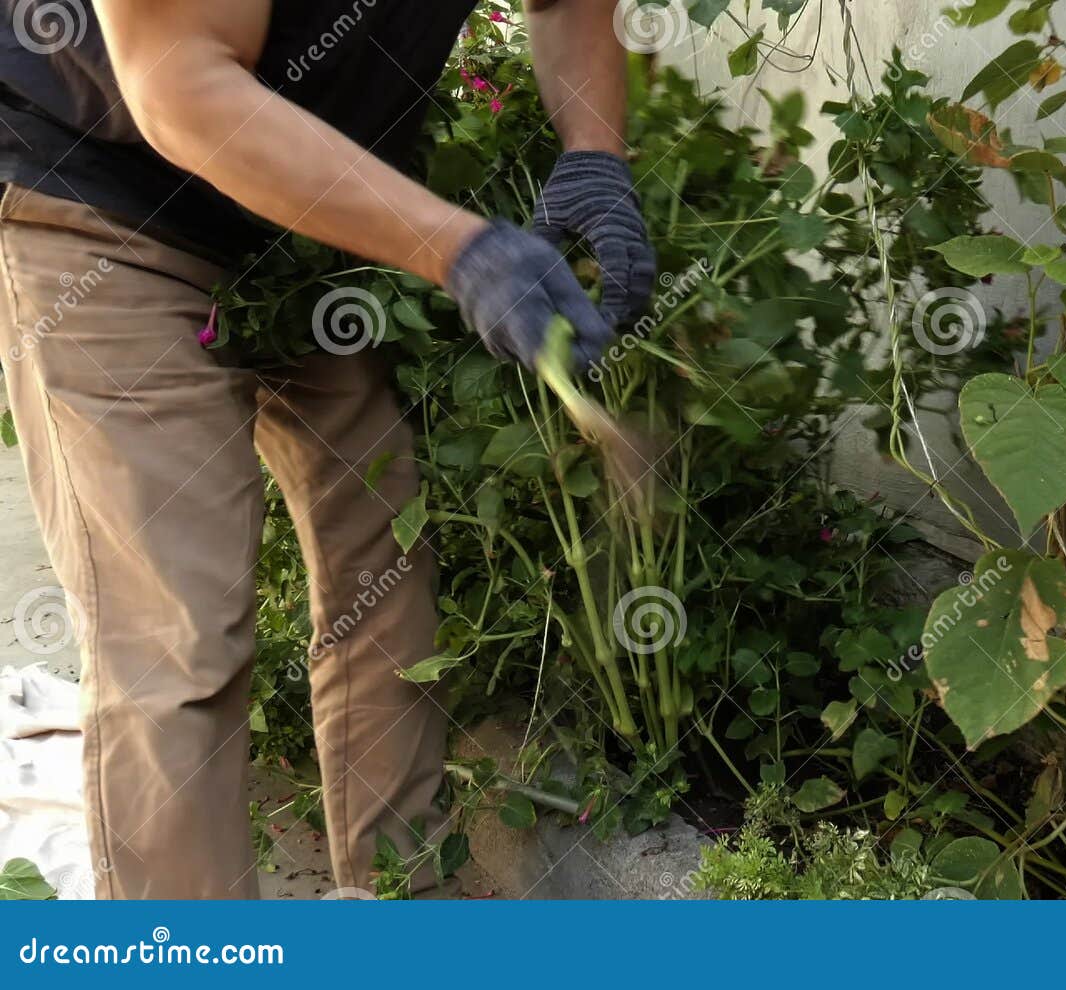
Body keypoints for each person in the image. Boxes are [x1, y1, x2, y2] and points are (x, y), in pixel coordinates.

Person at [0, 0, 655, 898]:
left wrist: (593, 152)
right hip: (105, 200)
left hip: (312, 219)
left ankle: (398, 910)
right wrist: (458, 248)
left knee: (383, 569)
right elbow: (179, 84)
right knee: (176, 634)